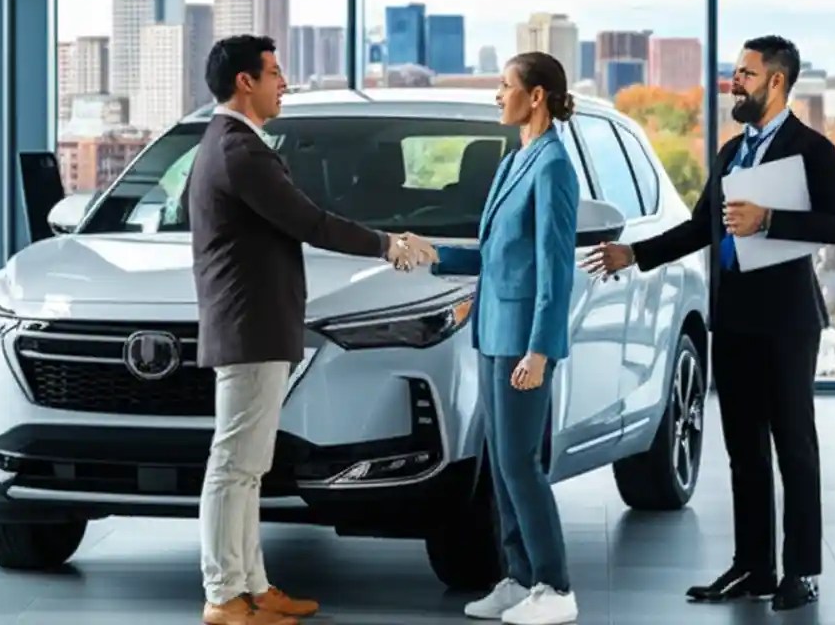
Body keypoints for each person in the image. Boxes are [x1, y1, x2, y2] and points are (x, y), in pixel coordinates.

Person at [583, 35, 835, 612]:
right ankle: (753, 566)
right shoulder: (731, 153)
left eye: (745, 74)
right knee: (743, 448)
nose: (735, 83)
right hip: (734, 319)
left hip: (787, 322)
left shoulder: (812, 149)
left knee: (794, 446)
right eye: (735, 73)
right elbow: (701, 226)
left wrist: (769, 219)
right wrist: (635, 254)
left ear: (776, 81)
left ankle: (801, 571)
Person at [187, 34, 434, 625]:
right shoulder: (240, 150)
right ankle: (224, 595)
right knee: (235, 465)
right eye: (274, 73)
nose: (284, 83)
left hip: (256, 326)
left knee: (248, 466)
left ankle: (252, 587)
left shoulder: (229, 144)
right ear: (245, 82)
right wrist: (387, 244)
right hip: (250, 327)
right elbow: (309, 221)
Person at [428, 52, 580, 625]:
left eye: (504, 85)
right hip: (492, 332)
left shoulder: (553, 167)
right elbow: (497, 256)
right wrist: (433, 253)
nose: (497, 95)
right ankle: (518, 579)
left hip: (523, 341)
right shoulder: (515, 160)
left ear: (535, 96)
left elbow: (554, 269)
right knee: (501, 465)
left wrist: (540, 350)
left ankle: (555, 587)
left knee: (521, 463)